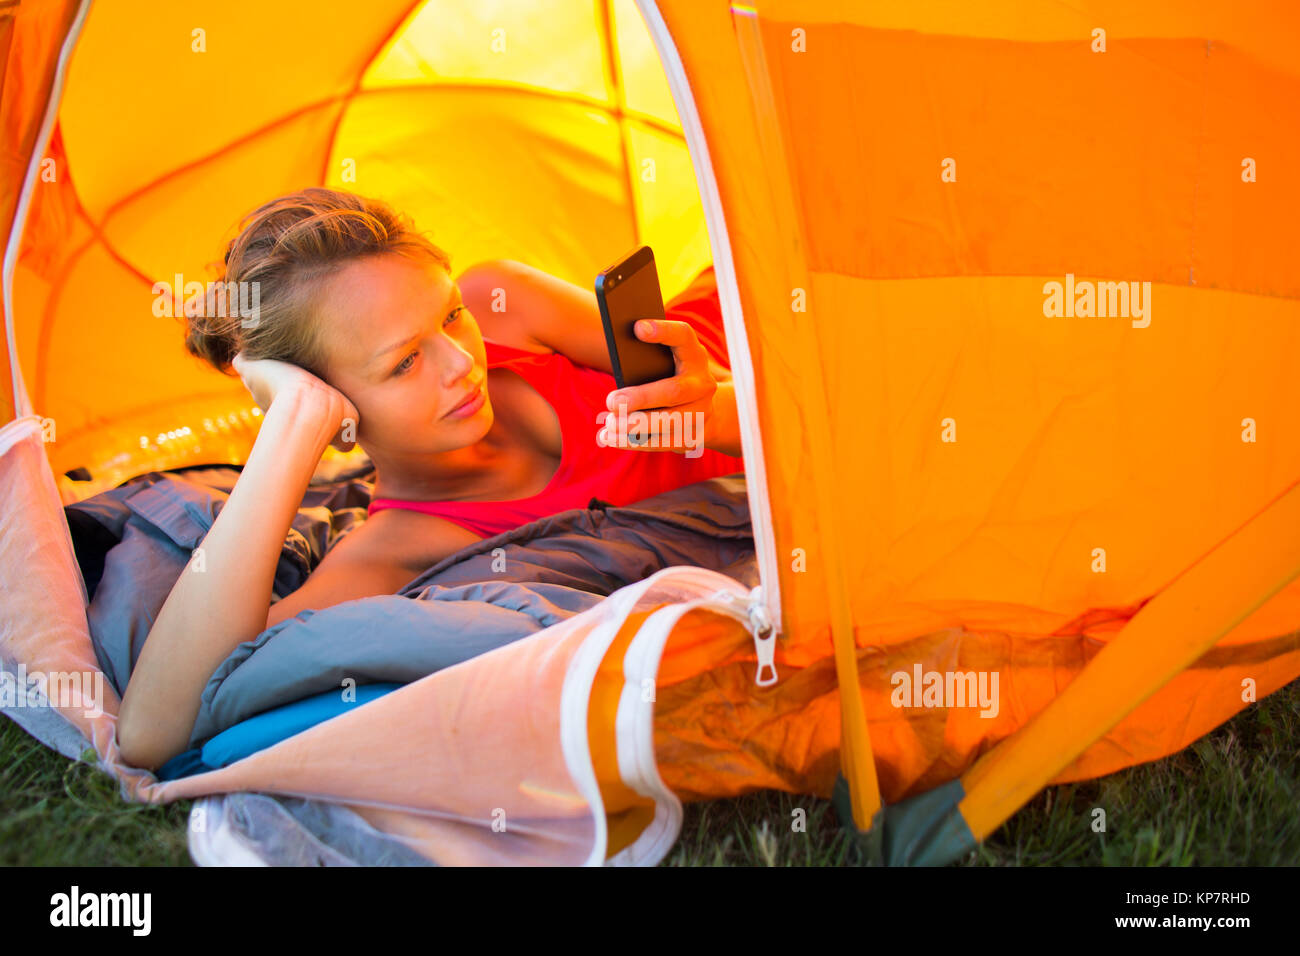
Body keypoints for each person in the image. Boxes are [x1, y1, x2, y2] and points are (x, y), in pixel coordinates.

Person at [116, 187, 745, 770]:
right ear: (334, 409)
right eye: (405, 361)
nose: (463, 363)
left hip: (754, 299)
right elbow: (151, 732)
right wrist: (293, 419)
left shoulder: (508, 303)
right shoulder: (392, 548)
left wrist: (710, 409)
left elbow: (766, 409)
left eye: (450, 316)